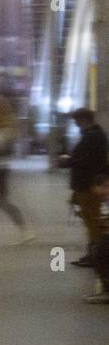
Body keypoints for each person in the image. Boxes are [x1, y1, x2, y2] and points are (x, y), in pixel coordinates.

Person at [68, 108, 109, 268]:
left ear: (84, 120)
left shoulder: (93, 137)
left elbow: (85, 161)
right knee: (91, 221)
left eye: (77, 121)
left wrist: (68, 161)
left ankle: (97, 256)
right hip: (87, 185)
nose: (76, 124)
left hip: (88, 186)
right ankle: (94, 254)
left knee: (93, 222)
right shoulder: (95, 135)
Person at [83, 173, 109, 304]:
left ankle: (107, 290)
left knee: (100, 249)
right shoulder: (105, 201)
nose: (103, 195)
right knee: (97, 246)